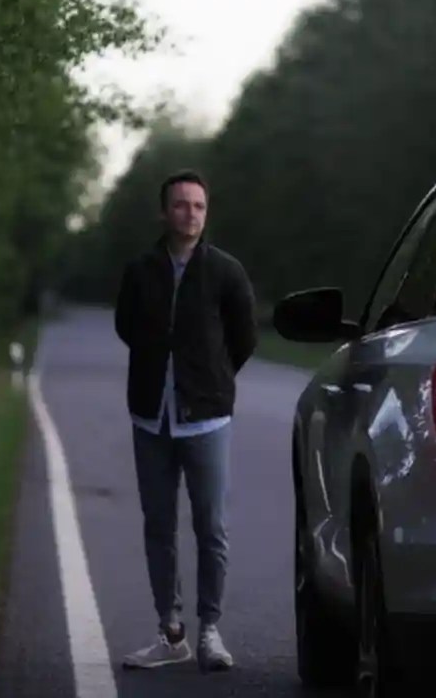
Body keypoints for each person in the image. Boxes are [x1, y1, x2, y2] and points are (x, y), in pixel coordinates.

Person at [113, 169, 258, 672]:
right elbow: (127, 327)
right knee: (159, 525)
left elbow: (244, 338)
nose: (190, 213)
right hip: (150, 417)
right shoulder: (140, 270)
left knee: (211, 526)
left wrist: (210, 379)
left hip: (206, 420)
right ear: (164, 212)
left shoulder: (226, 272)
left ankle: (210, 630)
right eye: (180, 204)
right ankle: (170, 631)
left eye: (198, 205)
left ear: (206, 212)